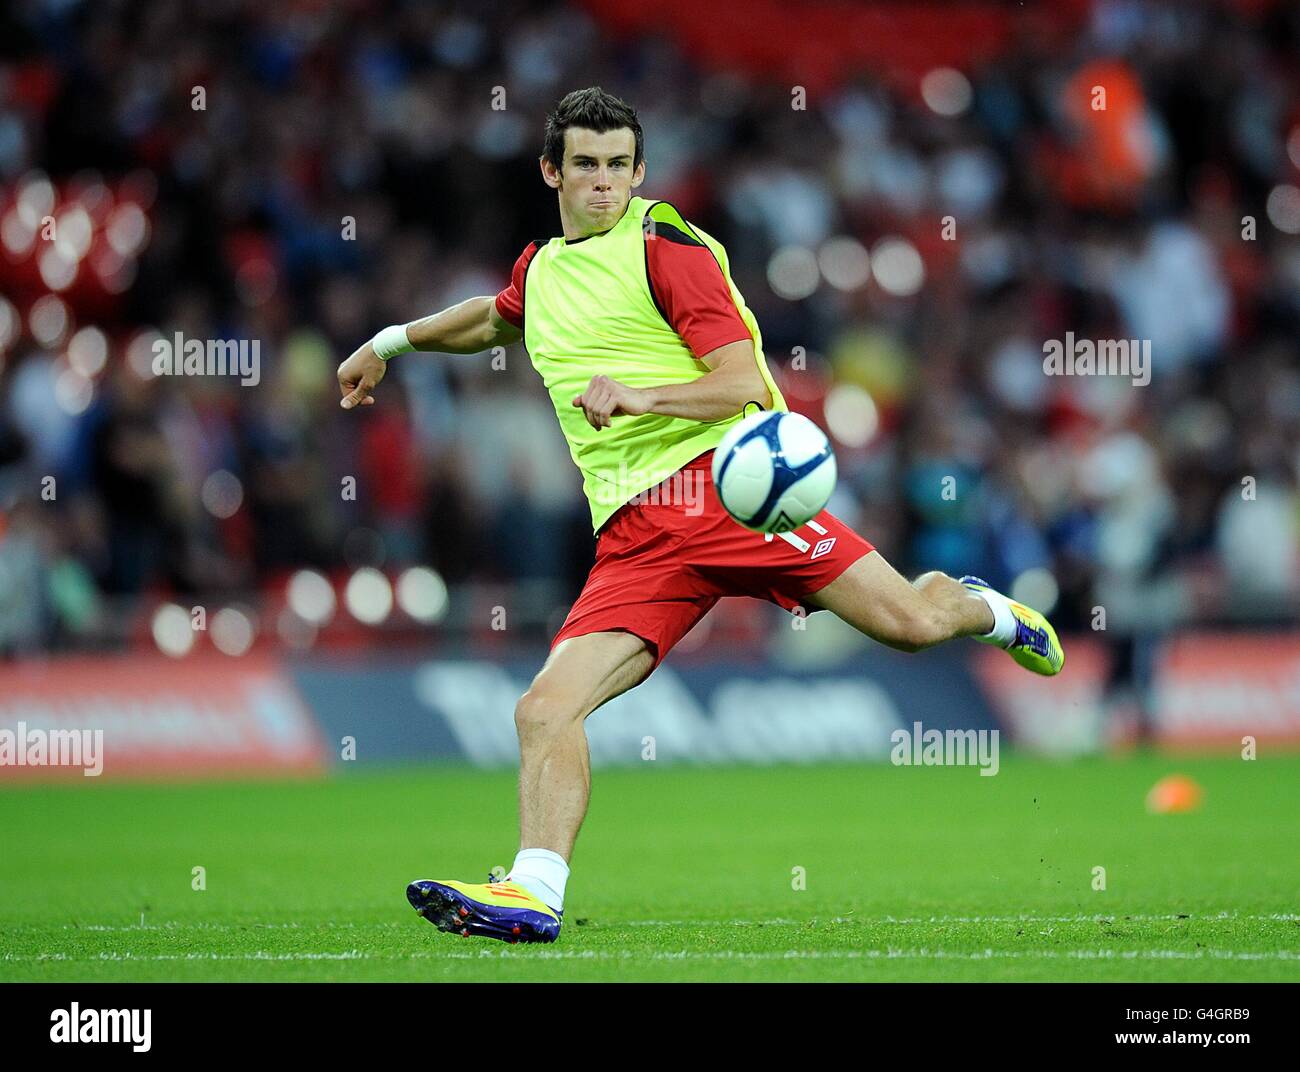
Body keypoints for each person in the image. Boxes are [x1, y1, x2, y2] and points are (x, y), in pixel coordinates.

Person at [336, 87, 1063, 944]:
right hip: (636, 537)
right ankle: (533, 892)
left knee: (907, 622)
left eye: (618, 167)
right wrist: (389, 344)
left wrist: (641, 394)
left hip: (728, 492)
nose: (603, 185)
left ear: (639, 172)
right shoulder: (543, 271)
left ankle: (978, 605)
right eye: (585, 167)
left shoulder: (666, 248)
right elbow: (493, 320)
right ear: (551, 172)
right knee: (542, 708)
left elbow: (742, 383)